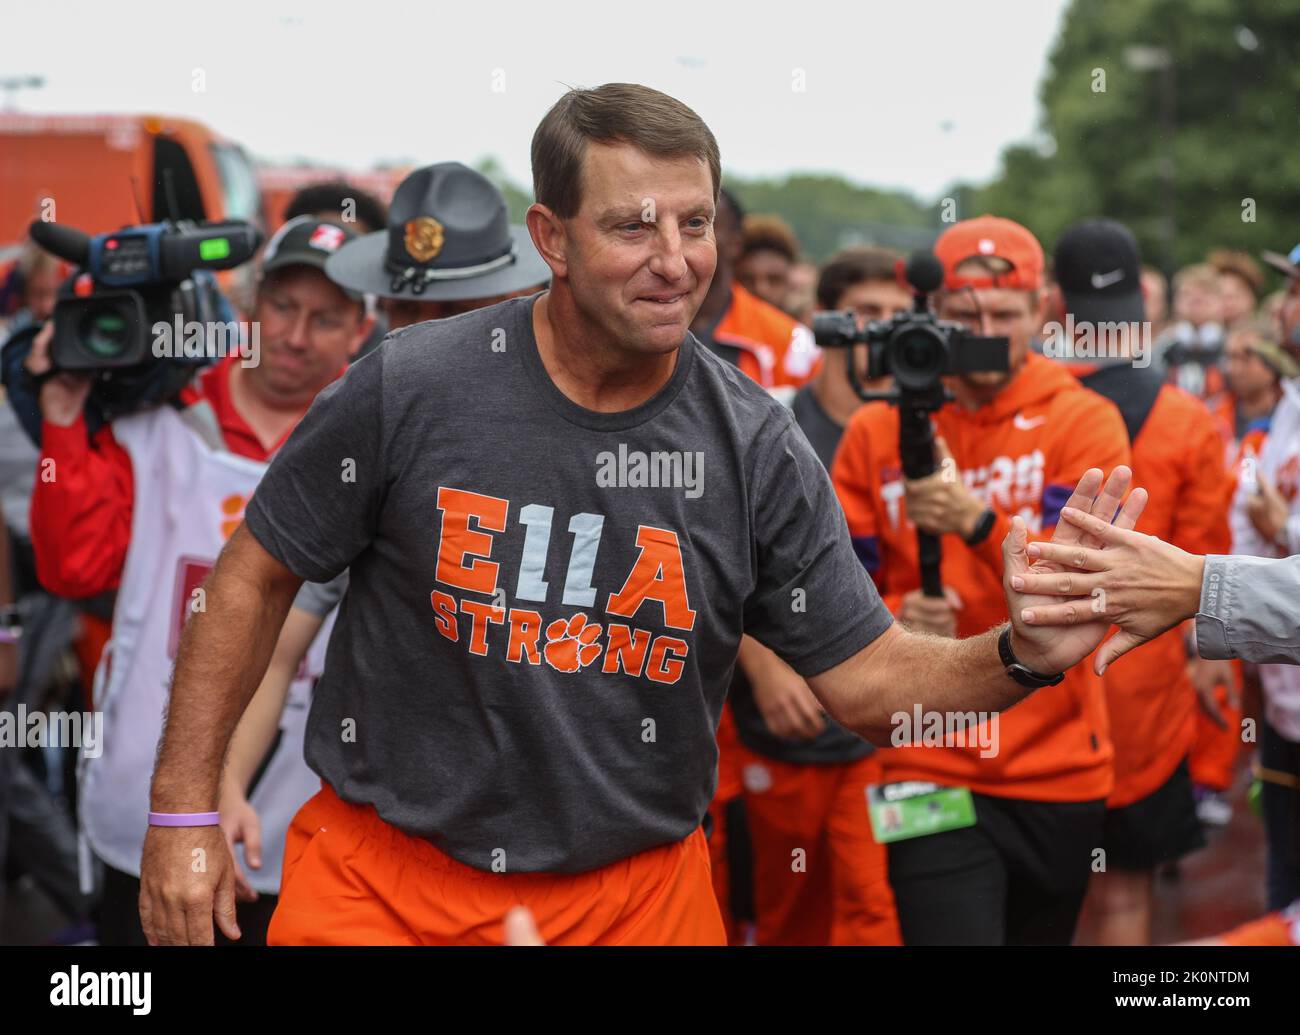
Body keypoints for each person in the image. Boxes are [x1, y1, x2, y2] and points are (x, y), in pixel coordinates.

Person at [137, 82, 1142, 947]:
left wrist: (1017, 653)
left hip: (636, 898)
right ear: (550, 239)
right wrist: (181, 812)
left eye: (694, 224)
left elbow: (869, 680)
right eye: (631, 226)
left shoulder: (753, 442)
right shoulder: (411, 384)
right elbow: (255, 572)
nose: (675, 260)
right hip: (383, 886)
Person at [27, 217, 375, 945]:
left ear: (359, 332)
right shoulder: (162, 422)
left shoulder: (378, 446)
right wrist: (63, 419)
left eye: (326, 317)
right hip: (147, 810)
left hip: (311, 834)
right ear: (250, 304)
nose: (297, 335)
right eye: (283, 306)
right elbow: (72, 567)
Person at [215, 163, 550, 889]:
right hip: (397, 865)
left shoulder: (588, 422)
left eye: (452, 311)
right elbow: (276, 643)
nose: (421, 337)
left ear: (515, 296)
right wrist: (223, 785)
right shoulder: (374, 435)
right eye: (405, 312)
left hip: (579, 863)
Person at [831, 214, 1132, 946]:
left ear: (1042, 312)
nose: (986, 329)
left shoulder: (1085, 419)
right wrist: (895, 614)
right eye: (965, 316)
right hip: (924, 752)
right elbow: (836, 593)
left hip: (1057, 762)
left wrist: (976, 522)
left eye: (1004, 313)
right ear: (931, 315)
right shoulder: (876, 431)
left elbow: (1083, 586)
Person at [1048, 219, 1230, 945]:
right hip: (1143, 675)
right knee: (1123, 894)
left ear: (1057, 310)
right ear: (1144, 310)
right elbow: (1211, 564)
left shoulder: (1031, 409)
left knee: (1036, 900)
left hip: (1036, 673)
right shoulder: (1191, 419)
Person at [726, 245, 910, 945]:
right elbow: (710, 560)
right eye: (866, 313)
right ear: (827, 321)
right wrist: (764, 663)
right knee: (788, 913)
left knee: (873, 910)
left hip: (885, 730)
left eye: (897, 316)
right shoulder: (766, 425)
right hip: (787, 725)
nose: (881, 330)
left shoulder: (915, 433)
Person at [735, 214, 800, 314]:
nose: (762, 290)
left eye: (774, 279)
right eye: (748, 280)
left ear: (790, 281)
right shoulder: (713, 328)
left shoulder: (801, 329)